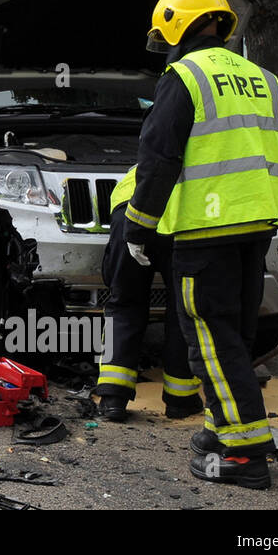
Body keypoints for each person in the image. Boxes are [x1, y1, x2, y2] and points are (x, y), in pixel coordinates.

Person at [124, 0, 278, 490]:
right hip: (256, 228)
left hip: (206, 231)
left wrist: (139, 223)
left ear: (178, 26)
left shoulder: (184, 76)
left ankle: (243, 457)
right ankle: (229, 431)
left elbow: (159, 157)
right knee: (235, 337)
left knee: (212, 339)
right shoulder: (264, 78)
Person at [95, 165, 203, 421]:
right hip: (181, 221)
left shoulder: (141, 165)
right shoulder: (205, 161)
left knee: (124, 305)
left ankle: (113, 398)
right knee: (182, 311)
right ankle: (181, 400)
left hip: (130, 213)